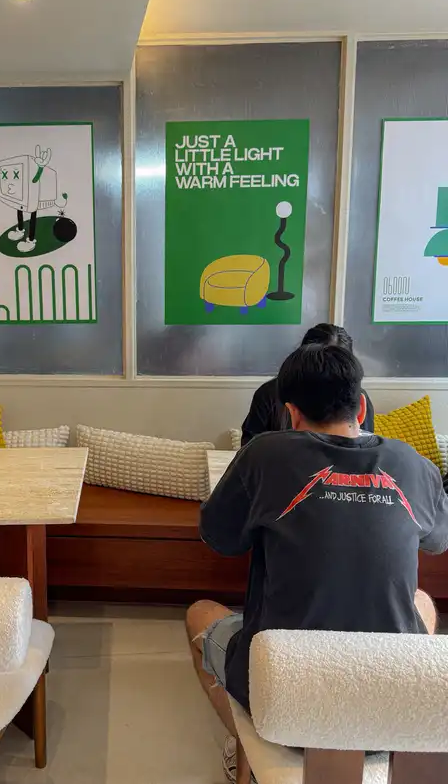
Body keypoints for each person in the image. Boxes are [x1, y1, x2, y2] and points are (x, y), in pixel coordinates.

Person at [188, 344, 448, 783]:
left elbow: (219, 538)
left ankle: (246, 742)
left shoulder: (264, 454)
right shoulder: (413, 463)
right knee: (421, 599)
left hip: (290, 706)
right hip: (395, 707)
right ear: (361, 407)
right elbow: (438, 541)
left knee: (199, 615)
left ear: (290, 413)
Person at [241, 323, 375, 446]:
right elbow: (249, 446)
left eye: (338, 368)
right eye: (318, 366)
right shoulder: (269, 394)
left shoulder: (357, 398)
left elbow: (366, 447)